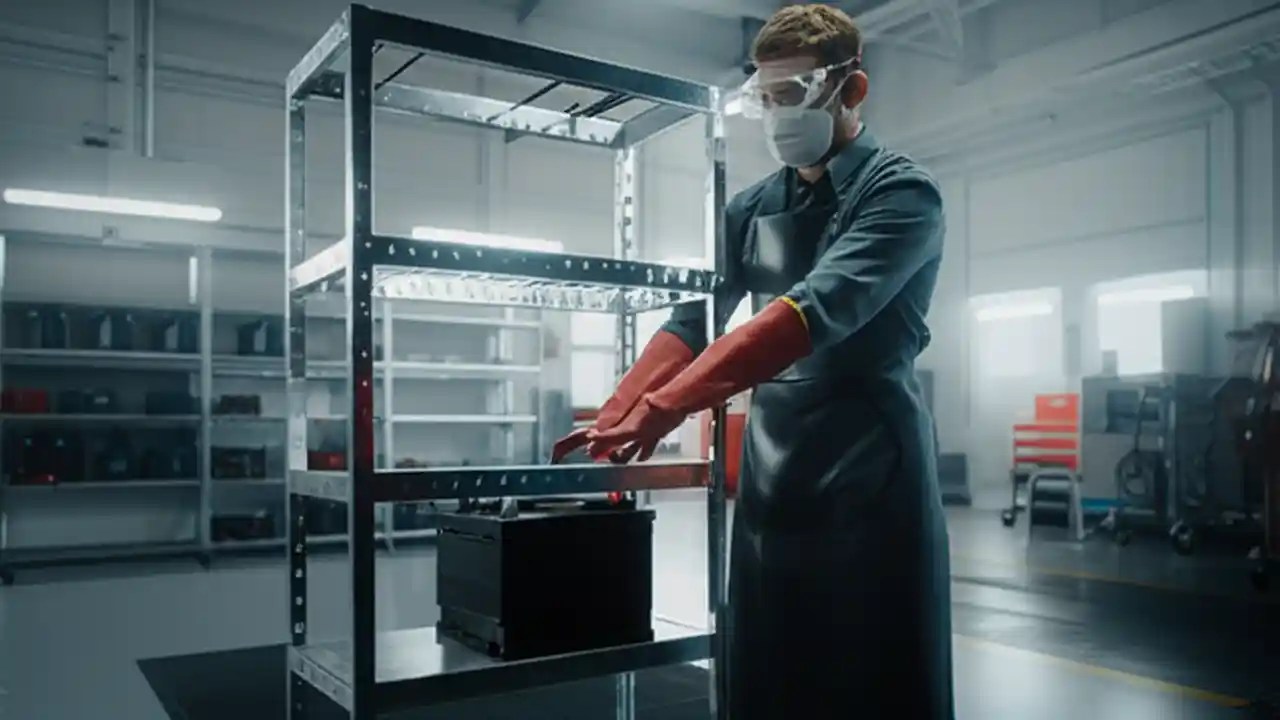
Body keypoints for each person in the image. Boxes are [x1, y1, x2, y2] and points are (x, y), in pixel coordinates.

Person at [552, 5, 953, 718]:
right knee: (770, 665)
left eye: (791, 96)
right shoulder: (752, 205)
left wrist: (667, 405)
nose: (775, 116)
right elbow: (694, 318)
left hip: (872, 465)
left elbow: (806, 316)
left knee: (870, 672)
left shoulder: (901, 194)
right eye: (764, 99)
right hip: (776, 468)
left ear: (850, 91)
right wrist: (619, 413)